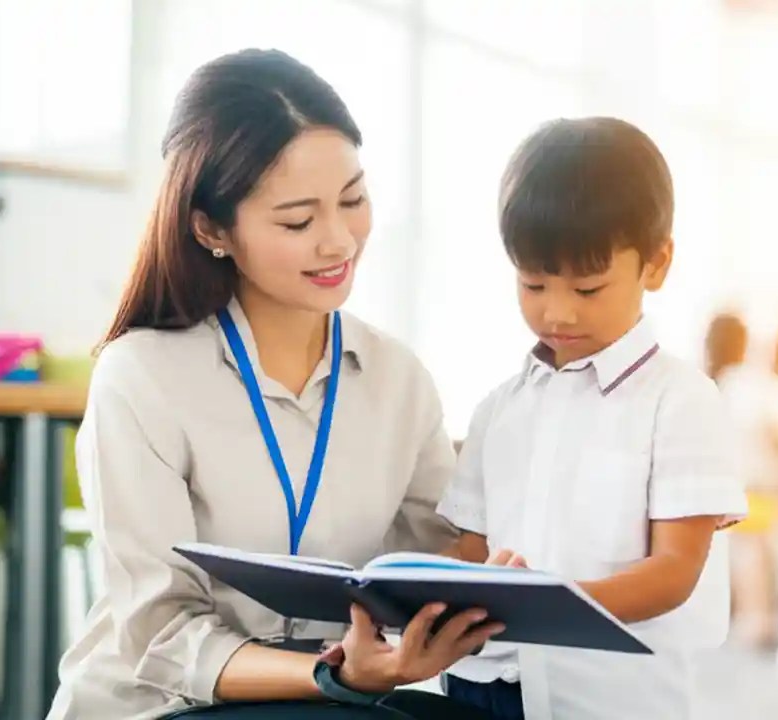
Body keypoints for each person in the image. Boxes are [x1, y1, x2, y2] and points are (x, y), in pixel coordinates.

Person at [48, 49, 502, 720]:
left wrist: (487, 576)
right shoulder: (142, 377)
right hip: (162, 706)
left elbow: (426, 564)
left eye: (354, 200)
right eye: (298, 220)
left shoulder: (397, 379)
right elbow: (163, 636)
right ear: (210, 229)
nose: (340, 241)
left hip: (329, 700)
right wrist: (332, 676)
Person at [435, 117, 748, 719]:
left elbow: (674, 570)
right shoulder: (499, 409)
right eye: (533, 284)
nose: (556, 312)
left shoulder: (681, 401)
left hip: (610, 700)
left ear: (655, 265)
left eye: (588, 289)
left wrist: (545, 605)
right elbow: (472, 546)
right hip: (482, 688)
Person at [705, 313, 778, 650]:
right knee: (762, 548)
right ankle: (765, 619)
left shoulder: (726, 386)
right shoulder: (763, 391)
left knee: (752, 549)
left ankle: (758, 619)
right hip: (758, 495)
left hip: (739, 495)